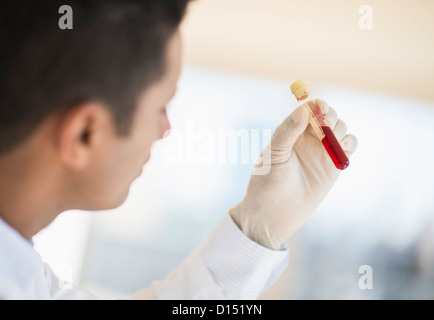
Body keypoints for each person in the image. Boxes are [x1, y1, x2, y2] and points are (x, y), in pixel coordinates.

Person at [0, 0, 357, 300]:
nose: (166, 130)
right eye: (160, 107)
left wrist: (259, 226)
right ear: (84, 134)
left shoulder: (26, 280)